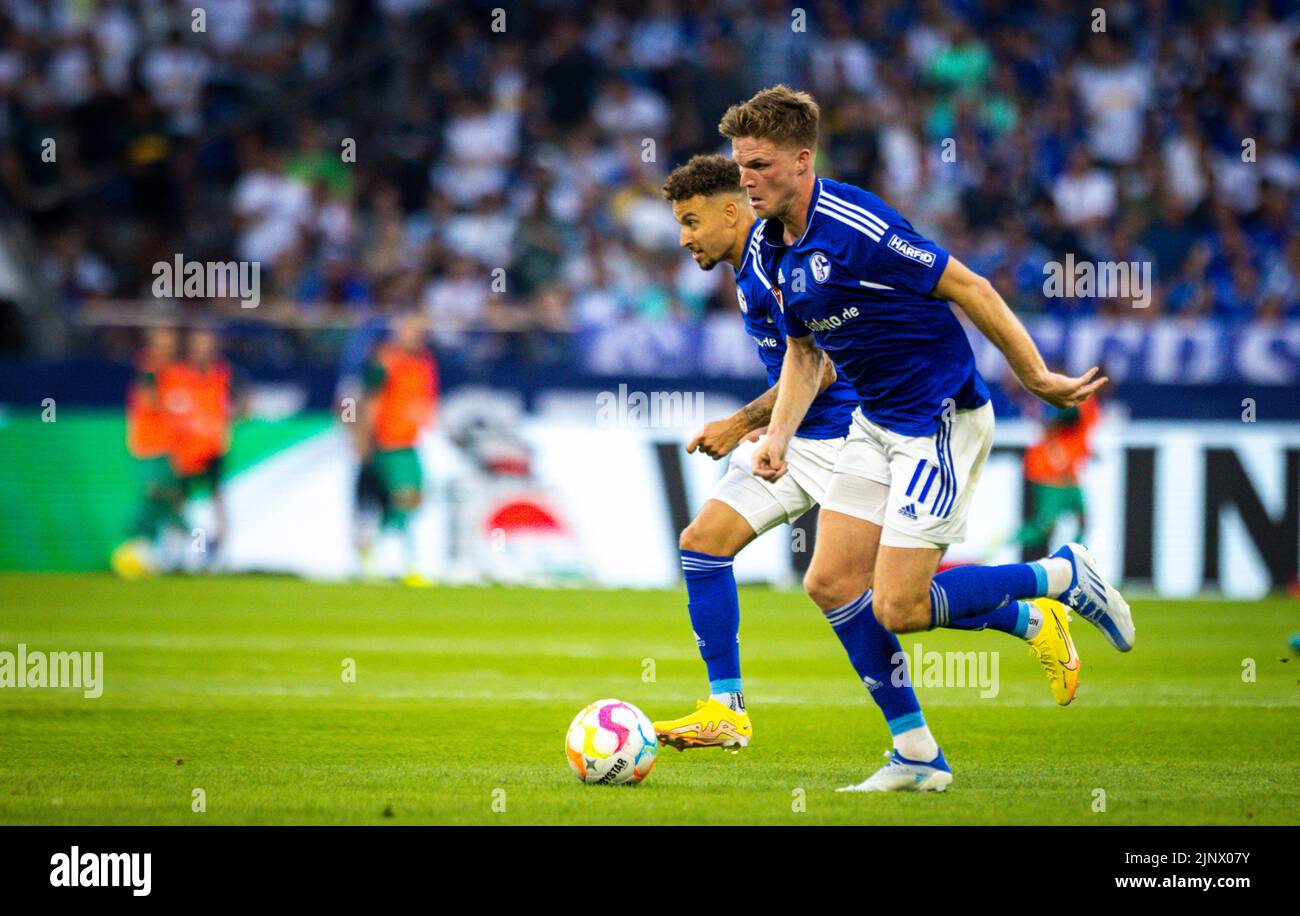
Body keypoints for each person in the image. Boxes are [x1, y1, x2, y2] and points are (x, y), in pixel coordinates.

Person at [725, 86, 1134, 792]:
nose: (745, 179)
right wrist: (778, 435)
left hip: (938, 417)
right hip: (875, 422)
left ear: (800, 158)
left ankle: (1061, 577)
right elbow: (803, 352)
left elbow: (969, 285)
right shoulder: (772, 245)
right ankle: (916, 754)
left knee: (901, 608)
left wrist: (1034, 375)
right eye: (739, 164)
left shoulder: (856, 223)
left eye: (758, 164)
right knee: (827, 582)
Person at [652, 153, 853, 751]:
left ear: (732, 211)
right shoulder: (745, 271)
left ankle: (1041, 595)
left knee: (894, 598)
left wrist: (743, 421)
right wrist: (771, 429)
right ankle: (726, 710)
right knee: (703, 543)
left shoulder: (771, 266)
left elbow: (822, 367)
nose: (685, 238)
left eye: (691, 221)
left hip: (847, 440)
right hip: (793, 443)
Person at [355, 312, 439, 584]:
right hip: (389, 442)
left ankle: (376, 551)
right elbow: (369, 402)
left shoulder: (425, 362)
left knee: (410, 502)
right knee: (403, 499)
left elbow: (425, 401)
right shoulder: (386, 362)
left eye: (417, 330)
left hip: (412, 442)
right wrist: (366, 440)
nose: (412, 336)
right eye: (407, 330)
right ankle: (403, 563)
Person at [111, 325, 183, 579]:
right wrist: (176, 404)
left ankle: (147, 549)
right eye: (164, 339)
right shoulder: (150, 369)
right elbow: (149, 401)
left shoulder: (168, 370)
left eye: (171, 339)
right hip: (149, 445)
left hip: (166, 446)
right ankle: (130, 541)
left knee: (170, 497)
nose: (169, 344)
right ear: (153, 342)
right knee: (155, 493)